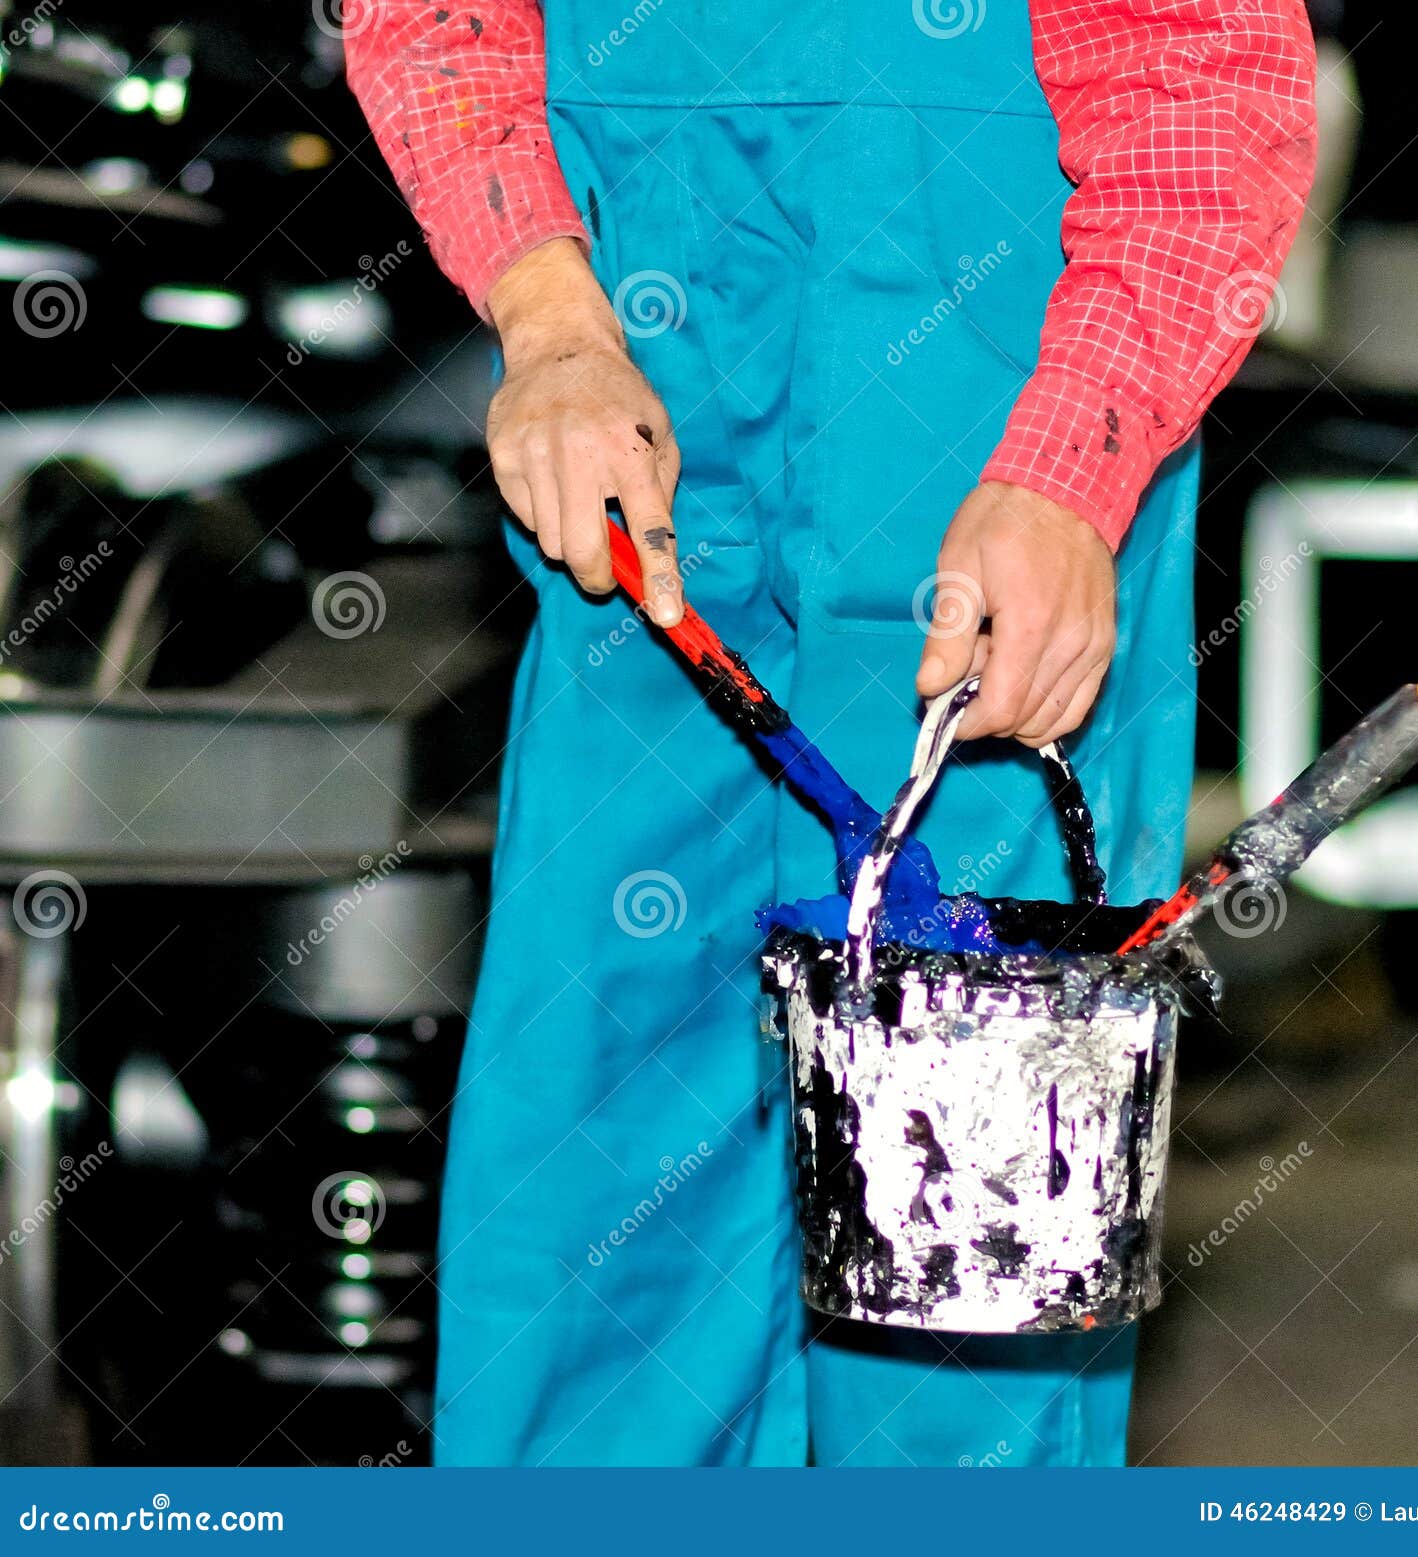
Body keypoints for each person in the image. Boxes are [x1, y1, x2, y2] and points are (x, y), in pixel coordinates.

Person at [345, 0, 1316, 1467]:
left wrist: (1078, 455)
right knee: (596, 1163)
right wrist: (544, 320)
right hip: (633, 379)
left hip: (1005, 422)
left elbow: (1202, 63)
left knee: (965, 1220)